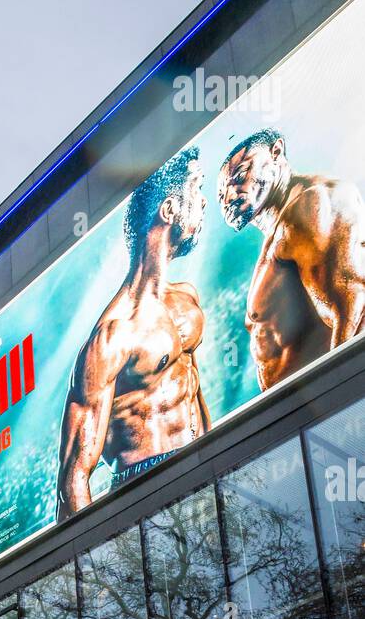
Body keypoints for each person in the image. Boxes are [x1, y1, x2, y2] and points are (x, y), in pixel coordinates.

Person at [57, 146, 209, 518]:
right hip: (145, 490)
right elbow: (73, 478)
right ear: (169, 209)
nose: (203, 202)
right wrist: (93, 569)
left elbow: (198, 401)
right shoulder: (113, 337)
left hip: (206, 472)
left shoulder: (185, 298)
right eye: (195, 188)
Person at [217, 128, 365, 390]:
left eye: (240, 176)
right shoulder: (281, 228)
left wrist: (340, 409)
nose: (229, 197)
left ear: (276, 152)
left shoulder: (311, 203)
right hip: (304, 419)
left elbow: (351, 305)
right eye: (221, 195)